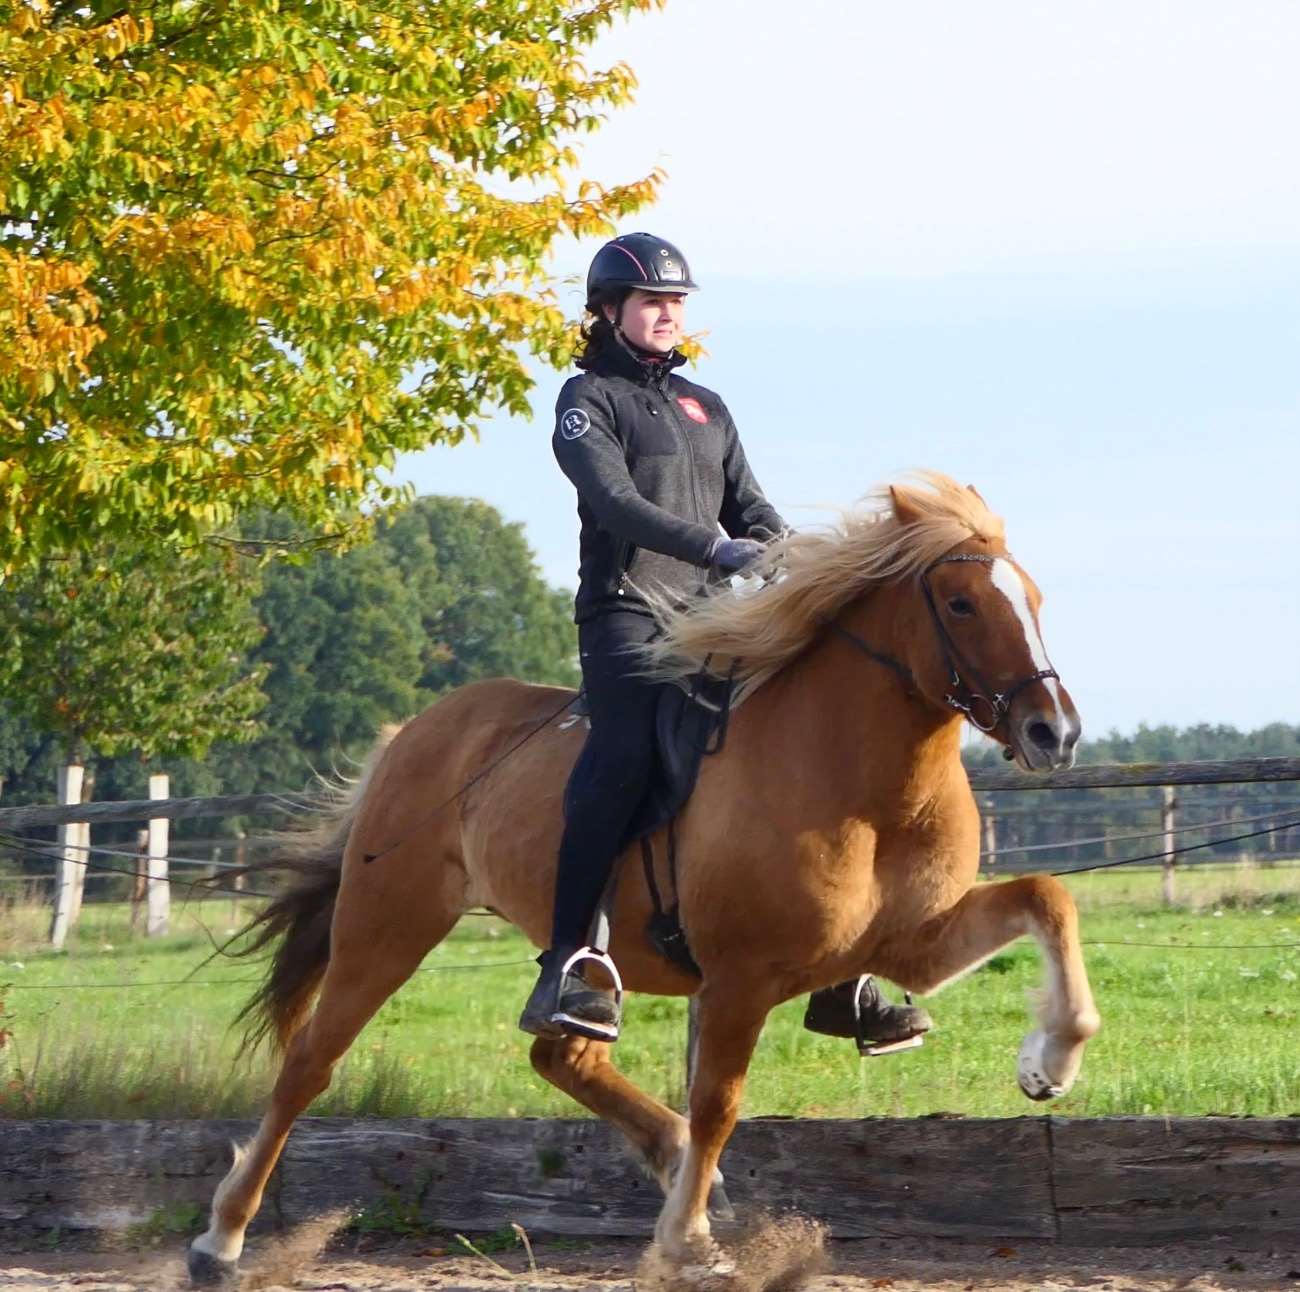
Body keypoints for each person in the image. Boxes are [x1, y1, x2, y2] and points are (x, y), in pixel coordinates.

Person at [518, 232, 931, 1053]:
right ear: (608, 311)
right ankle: (567, 958)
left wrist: (800, 560)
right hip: (630, 613)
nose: (667, 313)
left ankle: (841, 973)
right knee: (626, 754)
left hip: (715, 619)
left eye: (676, 302)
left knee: (793, 745)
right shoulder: (585, 401)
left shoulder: (707, 406)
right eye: (650, 302)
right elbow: (619, 506)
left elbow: (751, 507)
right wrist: (716, 551)